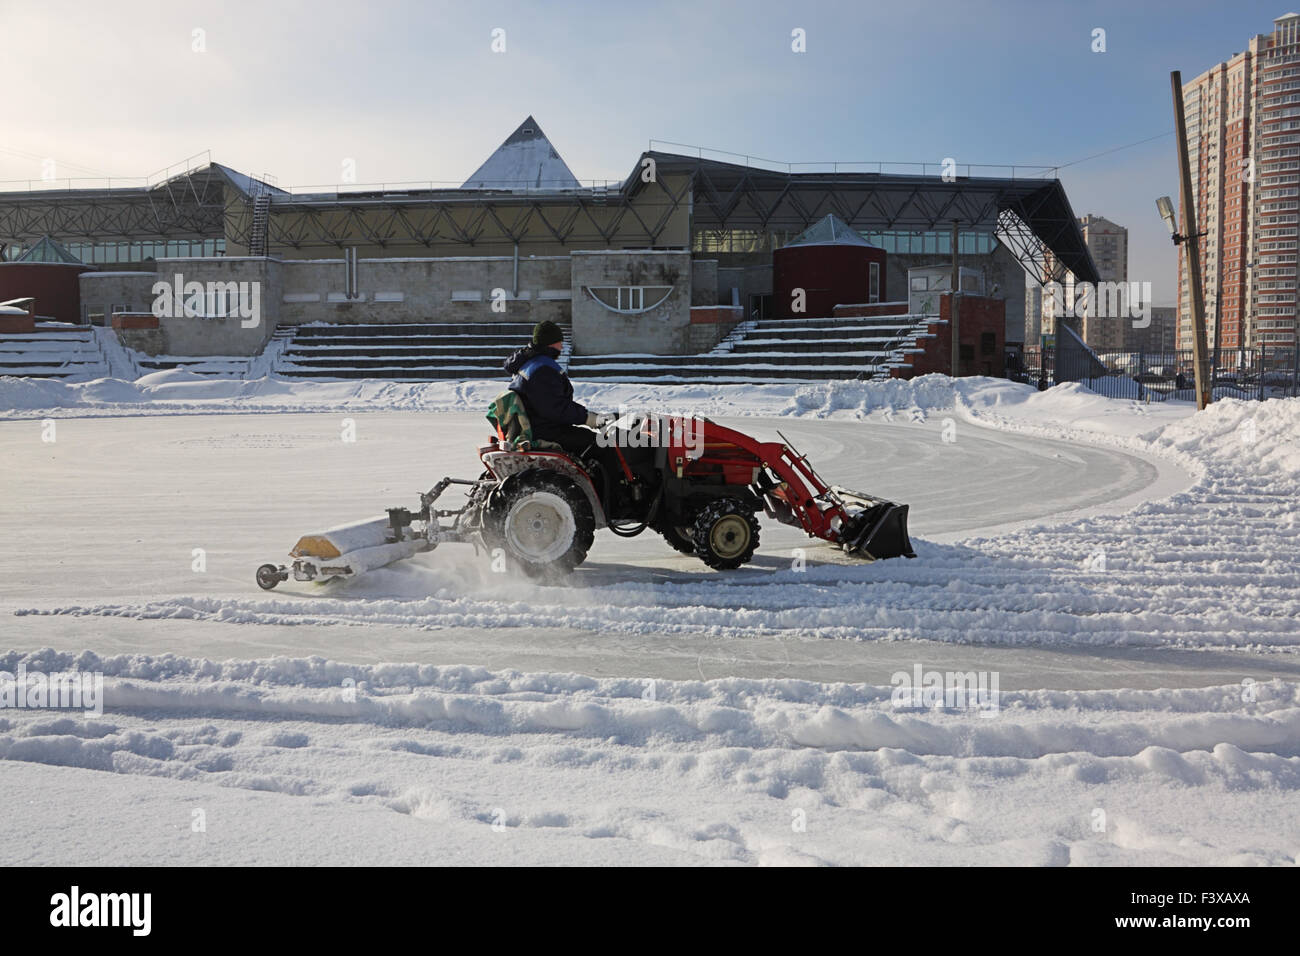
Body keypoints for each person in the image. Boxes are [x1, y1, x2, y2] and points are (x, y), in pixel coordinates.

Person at [504, 320, 604, 457]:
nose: (562, 348)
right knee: (599, 443)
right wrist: (588, 418)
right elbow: (555, 408)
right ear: (550, 343)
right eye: (560, 342)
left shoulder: (529, 364)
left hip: (535, 425)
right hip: (544, 430)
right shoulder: (543, 369)